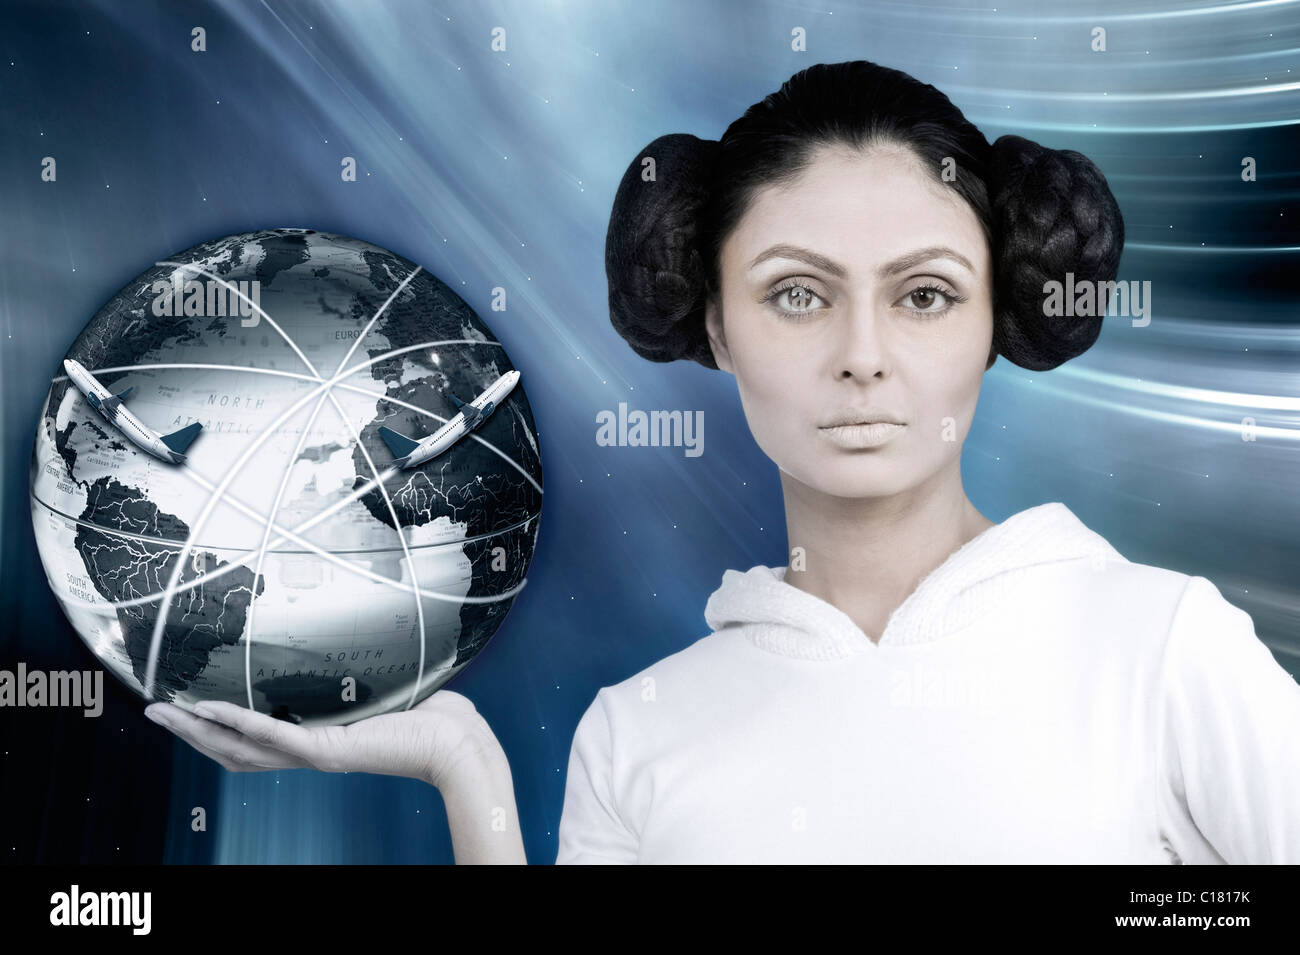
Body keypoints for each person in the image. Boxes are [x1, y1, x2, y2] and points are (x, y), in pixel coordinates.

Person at [145, 60, 1300, 864]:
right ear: (712, 326)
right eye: (796, 294)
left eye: (926, 295)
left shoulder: (1160, 650)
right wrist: (464, 764)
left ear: (1002, 315)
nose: (861, 358)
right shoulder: (639, 733)